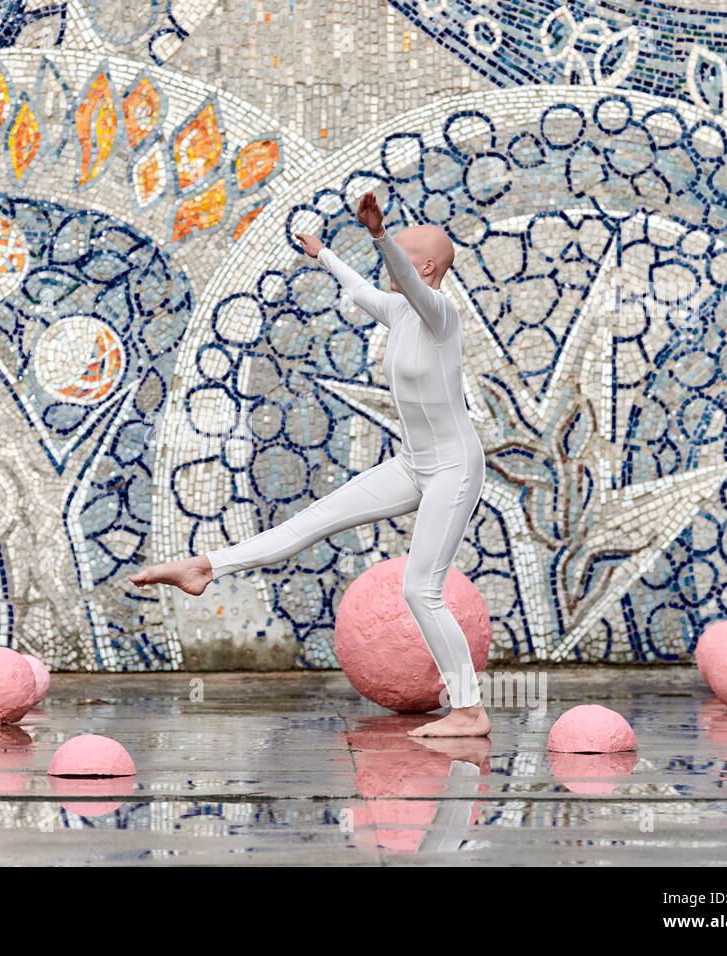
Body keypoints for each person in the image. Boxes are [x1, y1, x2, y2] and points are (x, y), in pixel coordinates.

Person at [130, 191, 488, 738]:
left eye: (402, 254)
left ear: (429, 266)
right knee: (310, 521)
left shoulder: (440, 316)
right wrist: (323, 254)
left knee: (422, 589)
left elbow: (408, 284)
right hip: (415, 464)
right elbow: (362, 288)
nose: (389, 264)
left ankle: (468, 710)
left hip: (455, 469)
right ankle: (205, 567)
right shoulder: (398, 312)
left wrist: (379, 234)